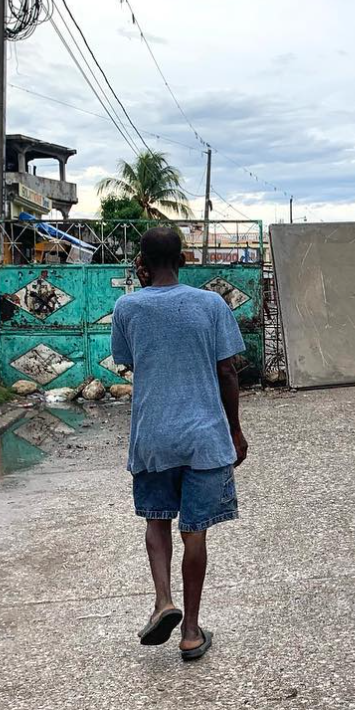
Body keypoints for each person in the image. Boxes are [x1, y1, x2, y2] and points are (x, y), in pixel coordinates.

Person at [110, 227, 248, 661]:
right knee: (195, 532)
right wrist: (235, 429)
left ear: (142, 264)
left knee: (156, 520)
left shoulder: (127, 306)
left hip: (152, 435)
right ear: (183, 259)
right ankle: (190, 631)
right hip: (203, 435)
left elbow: (128, 362)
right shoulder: (210, 304)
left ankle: (162, 601)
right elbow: (228, 370)